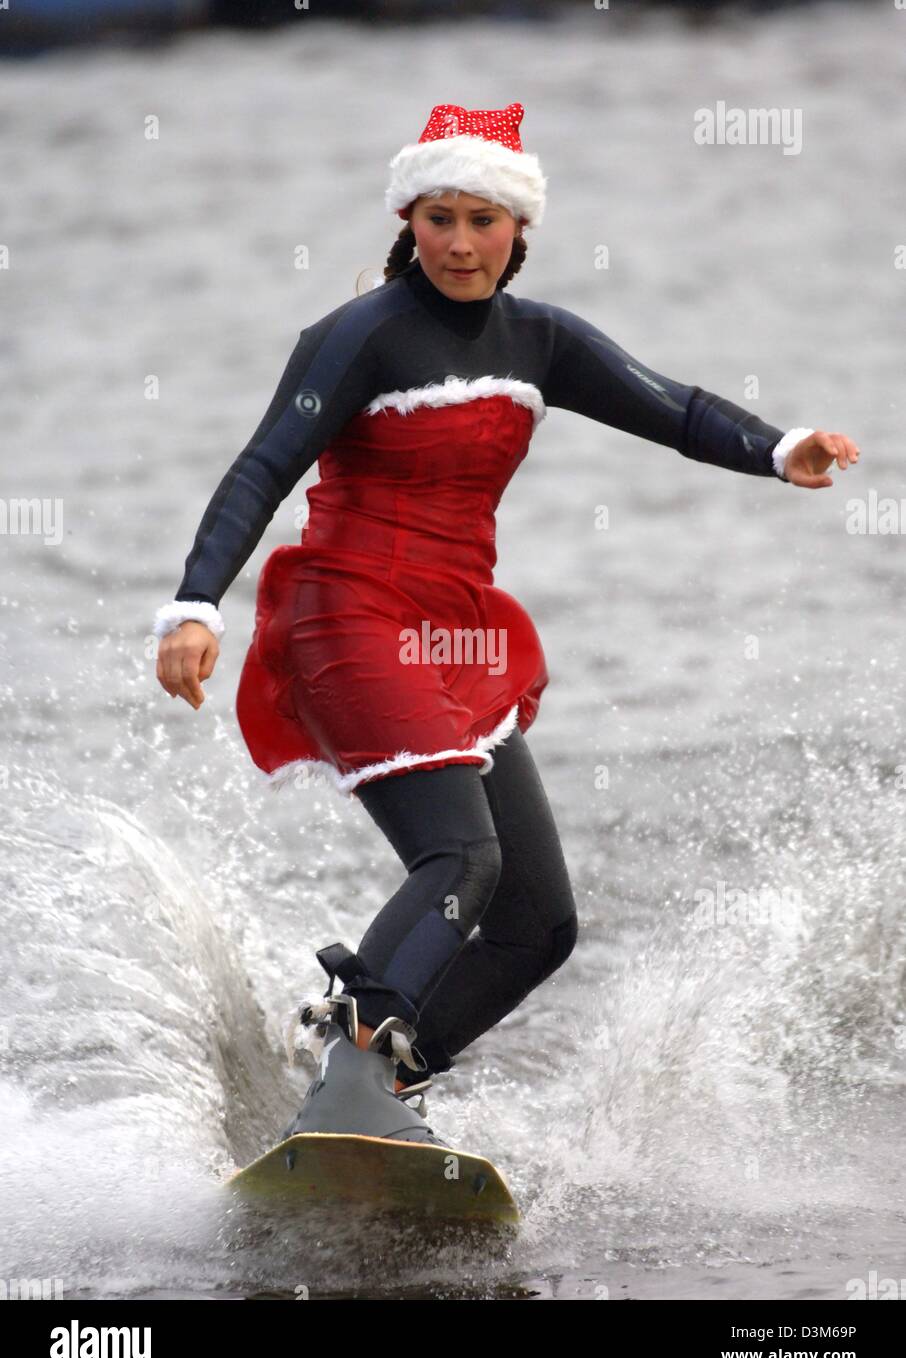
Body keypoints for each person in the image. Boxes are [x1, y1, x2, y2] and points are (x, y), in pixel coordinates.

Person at [153, 102, 860, 1148]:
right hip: (349, 620)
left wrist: (778, 446)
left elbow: (674, 409)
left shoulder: (542, 342)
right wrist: (195, 604)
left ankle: (370, 1101)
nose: (460, 241)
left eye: (482, 219)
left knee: (539, 923)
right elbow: (263, 466)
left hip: (455, 639)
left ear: (517, 229)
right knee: (461, 859)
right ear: (410, 219)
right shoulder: (357, 339)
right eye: (439, 217)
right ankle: (352, 1063)